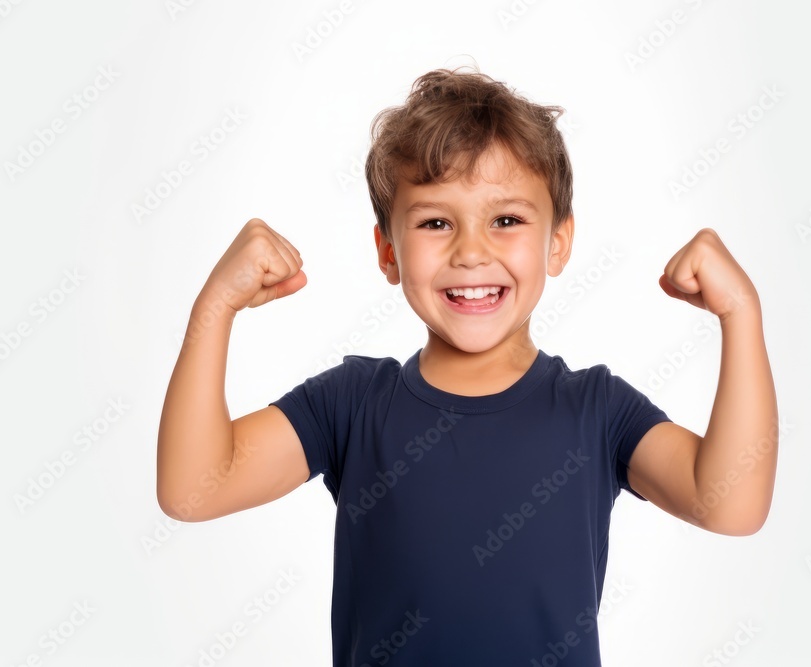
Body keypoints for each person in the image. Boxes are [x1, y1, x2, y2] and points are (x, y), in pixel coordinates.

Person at [156, 66, 778, 666]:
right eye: (435, 222)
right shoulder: (351, 404)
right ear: (388, 251)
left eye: (506, 220)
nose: (471, 251)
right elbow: (192, 490)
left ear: (558, 242)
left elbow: (732, 505)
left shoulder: (597, 410)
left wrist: (741, 315)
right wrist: (214, 309)